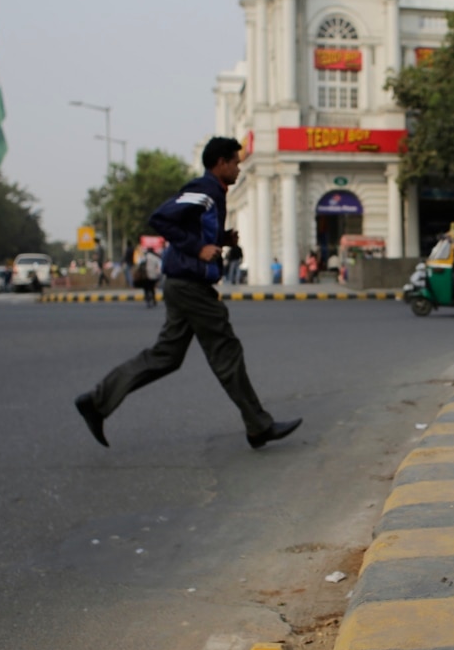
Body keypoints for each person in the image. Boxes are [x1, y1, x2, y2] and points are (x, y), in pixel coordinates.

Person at [74, 137, 301, 450]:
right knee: (226, 351)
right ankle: (258, 425)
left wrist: (221, 239)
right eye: (235, 162)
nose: (238, 168)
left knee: (166, 356)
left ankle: (97, 401)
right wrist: (199, 248)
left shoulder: (215, 193)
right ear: (220, 163)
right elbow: (161, 218)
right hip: (191, 286)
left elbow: (194, 229)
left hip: (183, 285)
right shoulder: (205, 189)